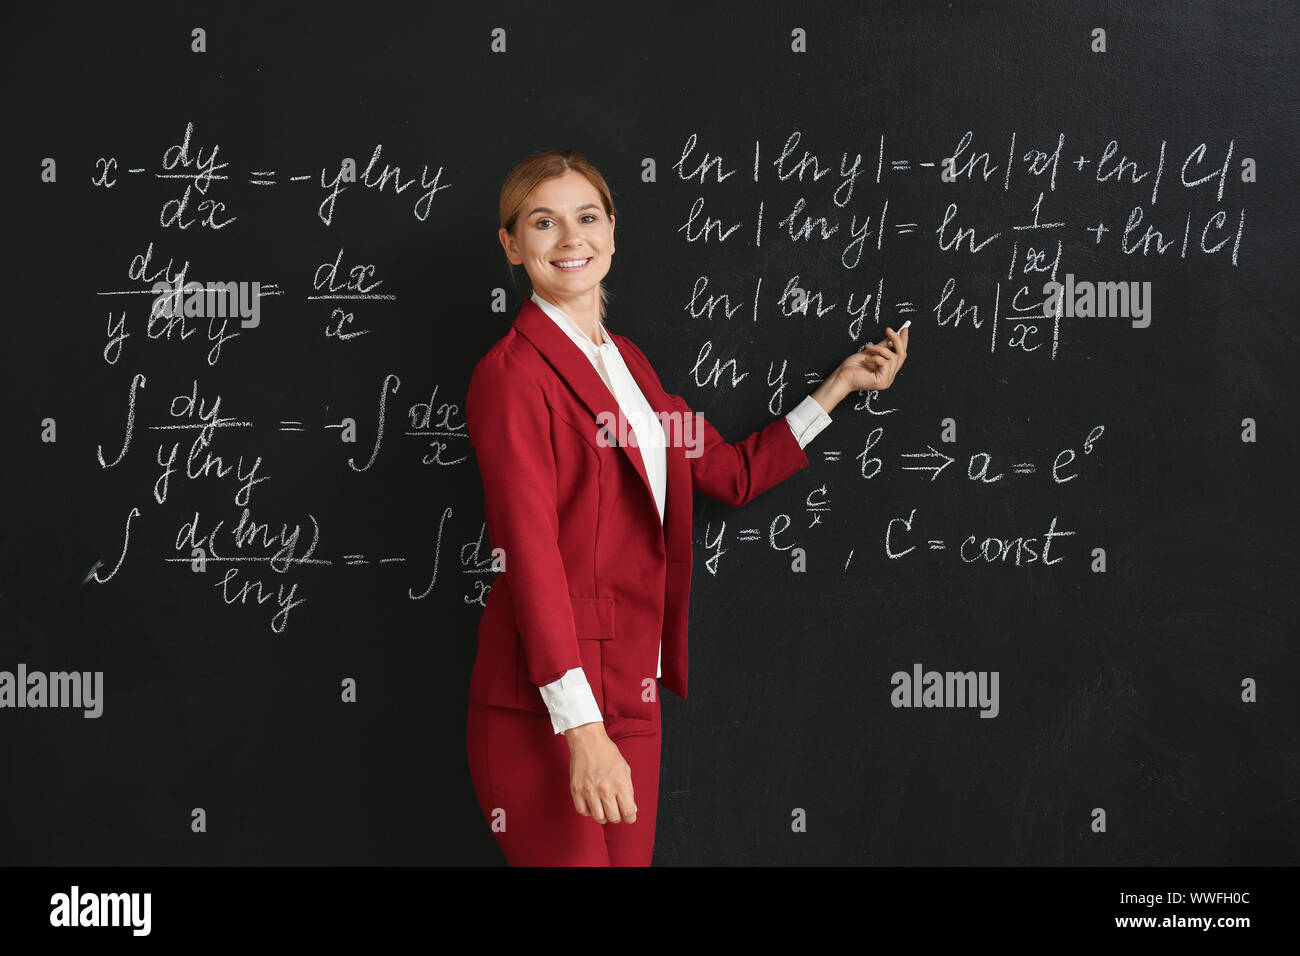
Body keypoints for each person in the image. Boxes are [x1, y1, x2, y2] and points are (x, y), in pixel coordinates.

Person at [464, 148, 909, 866]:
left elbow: (730, 474)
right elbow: (531, 558)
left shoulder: (629, 364)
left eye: (586, 217)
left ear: (612, 230)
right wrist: (582, 733)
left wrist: (837, 390)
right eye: (543, 223)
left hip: (633, 685)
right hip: (547, 704)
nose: (571, 239)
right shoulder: (511, 375)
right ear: (512, 245)